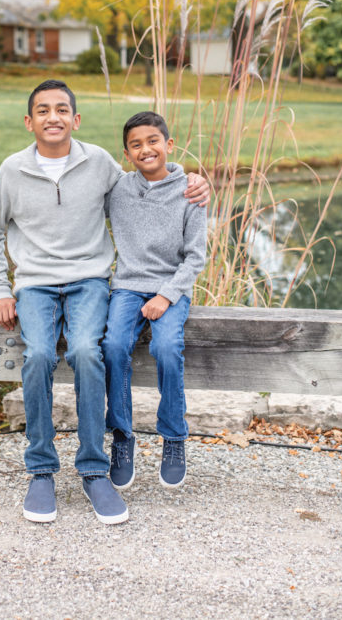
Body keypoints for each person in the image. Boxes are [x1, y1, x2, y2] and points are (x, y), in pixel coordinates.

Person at [0, 79, 208, 525]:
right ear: (30, 121)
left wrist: (195, 181)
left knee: (88, 351)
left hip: (89, 281)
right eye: (43, 110)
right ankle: (41, 470)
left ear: (76, 119)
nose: (53, 117)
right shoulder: (12, 170)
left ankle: (94, 468)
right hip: (35, 285)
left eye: (62, 109)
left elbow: (150, 185)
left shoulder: (99, 162)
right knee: (40, 354)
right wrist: (0, 288)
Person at [102, 111, 206, 491]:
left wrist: (166, 295)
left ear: (169, 145)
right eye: (136, 145)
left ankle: (174, 438)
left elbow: (196, 257)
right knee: (113, 346)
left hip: (171, 287)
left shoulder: (190, 192)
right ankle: (122, 437)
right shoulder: (117, 188)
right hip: (127, 285)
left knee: (166, 347)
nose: (146, 149)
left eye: (153, 141)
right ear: (127, 153)